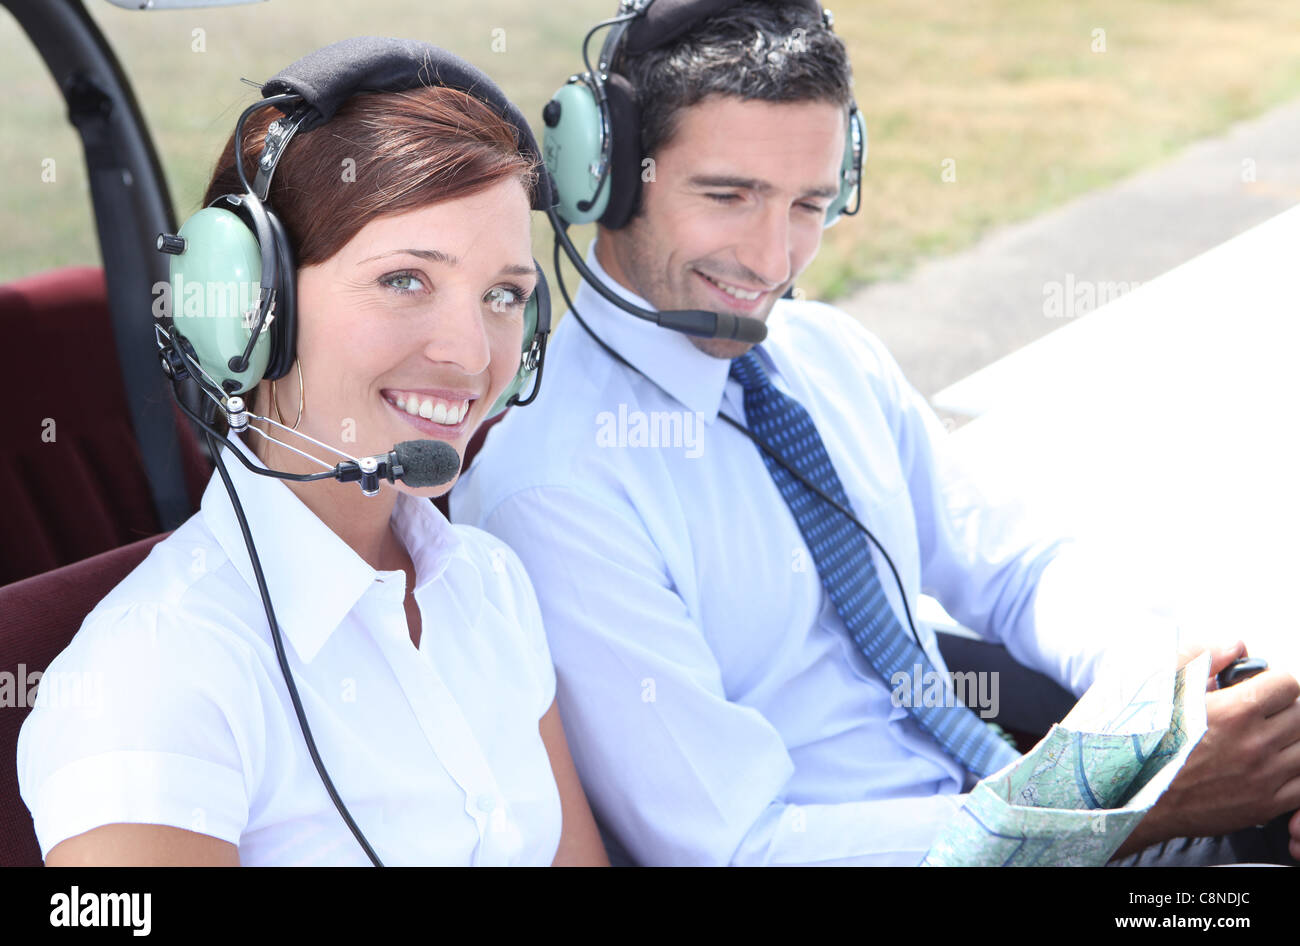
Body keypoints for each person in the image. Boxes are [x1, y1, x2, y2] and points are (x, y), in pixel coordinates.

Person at [450, 1, 1300, 865]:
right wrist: (1117, 809)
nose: (773, 259)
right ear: (605, 172)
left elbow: (1016, 569)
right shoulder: (555, 487)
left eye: (808, 204)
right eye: (729, 196)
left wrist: (1172, 698)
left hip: (1012, 810)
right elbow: (744, 850)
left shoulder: (829, 354)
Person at [17, 38, 608, 867]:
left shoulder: (490, 587)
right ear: (250, 309)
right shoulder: (153, 682)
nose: (473, 353)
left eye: (504, 295)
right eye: (406, 279)